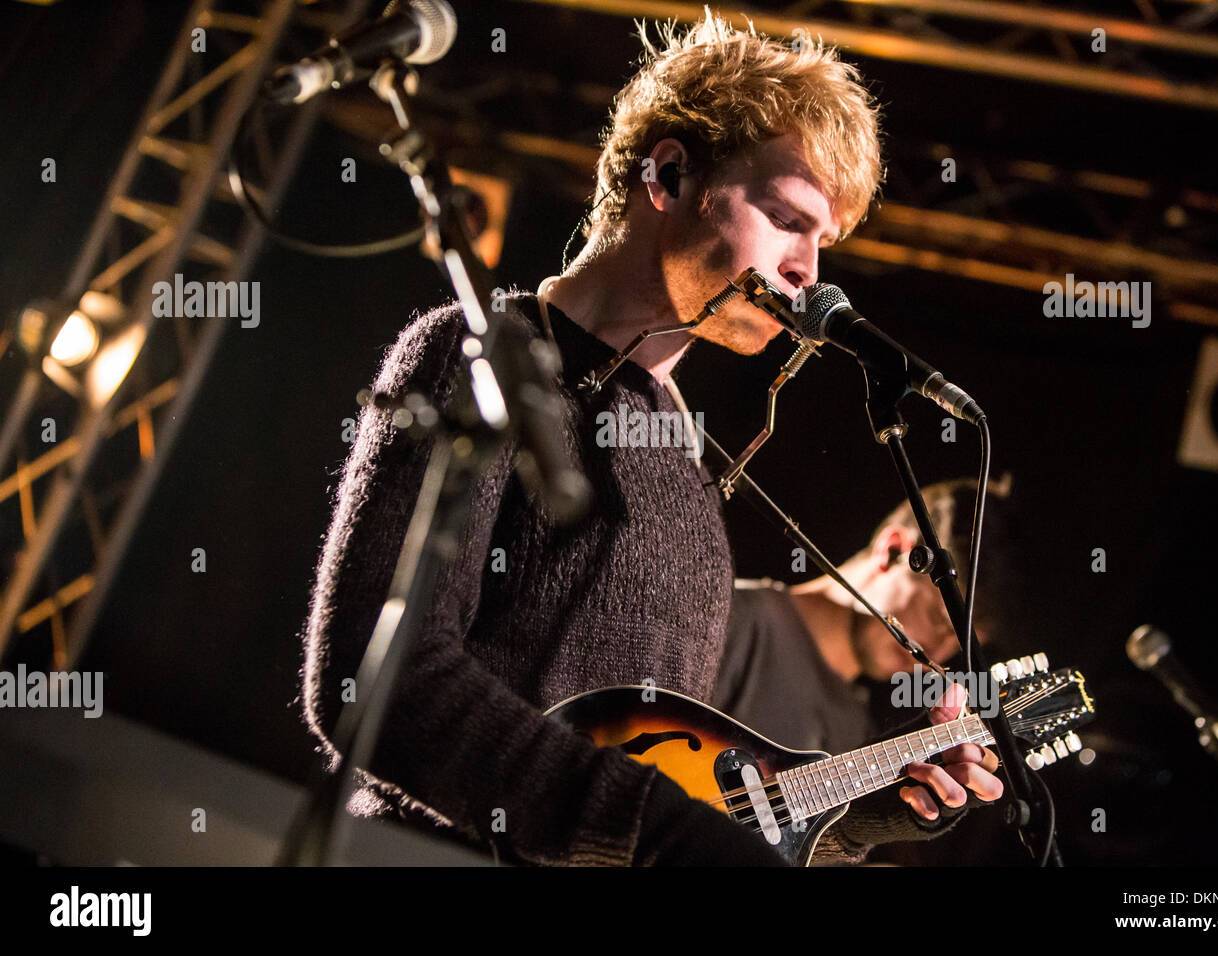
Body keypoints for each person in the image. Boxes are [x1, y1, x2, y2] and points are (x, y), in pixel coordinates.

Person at [299, 9, 1001, 866]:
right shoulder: (476, 356)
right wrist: (650, 826)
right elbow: (374, 684)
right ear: (667, 173)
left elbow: (699, 802)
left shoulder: (689, 475)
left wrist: (858, 816)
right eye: (787, 217)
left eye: (826, 241)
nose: (808, 271)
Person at [714, 477, 1017, 863]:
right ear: (892, 551)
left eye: (955, 647)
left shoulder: (854, 729)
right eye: (938, 621)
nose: (935, 654)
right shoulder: (732, 618)